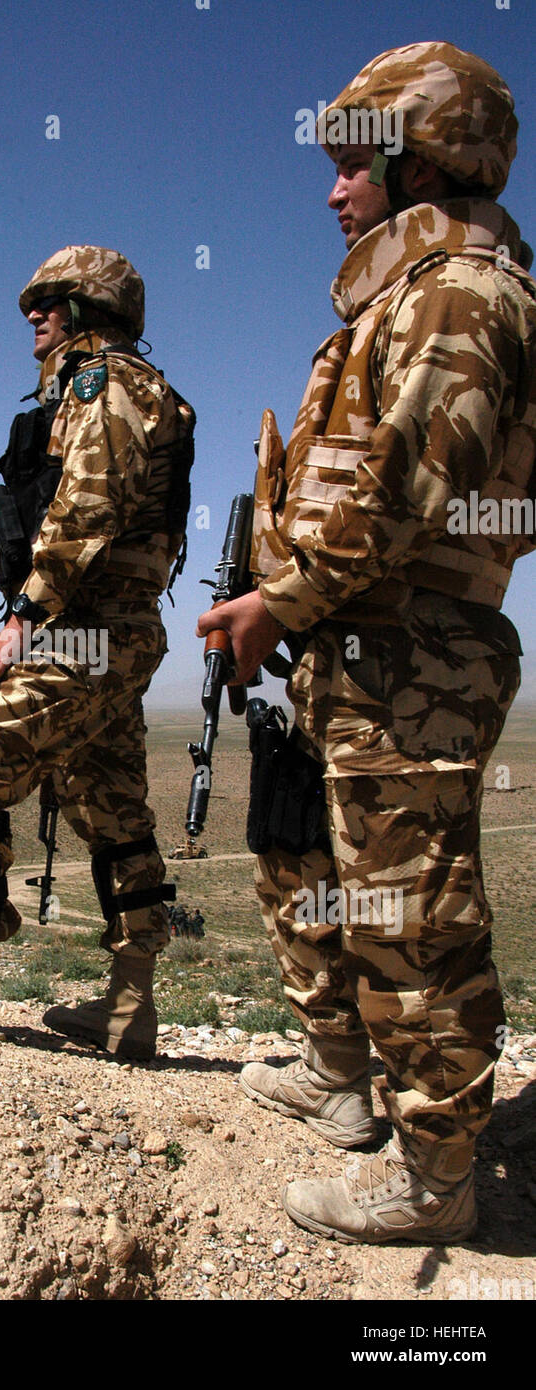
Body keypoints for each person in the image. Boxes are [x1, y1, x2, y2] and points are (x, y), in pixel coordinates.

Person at [199, 41, 536, 1243]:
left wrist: (276, 605)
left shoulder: (461, 290)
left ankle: (434, 1181)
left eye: (352, 166)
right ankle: (351, 1086)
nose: (331, 190)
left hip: (416, 658)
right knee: (338, 886)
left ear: (417, 159)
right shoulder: (411, 289)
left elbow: (405, 486)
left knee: (411, 916)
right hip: (368, 651)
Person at [0, 246, 196, 1060]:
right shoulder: (95, 389)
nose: (33, 315)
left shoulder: (109, 384)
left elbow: (87, 509)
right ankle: (131, 1011)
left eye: (50, 302)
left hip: (85, 631)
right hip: (112, 634)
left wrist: (22, 616)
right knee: (112, 806)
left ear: (89, 310)